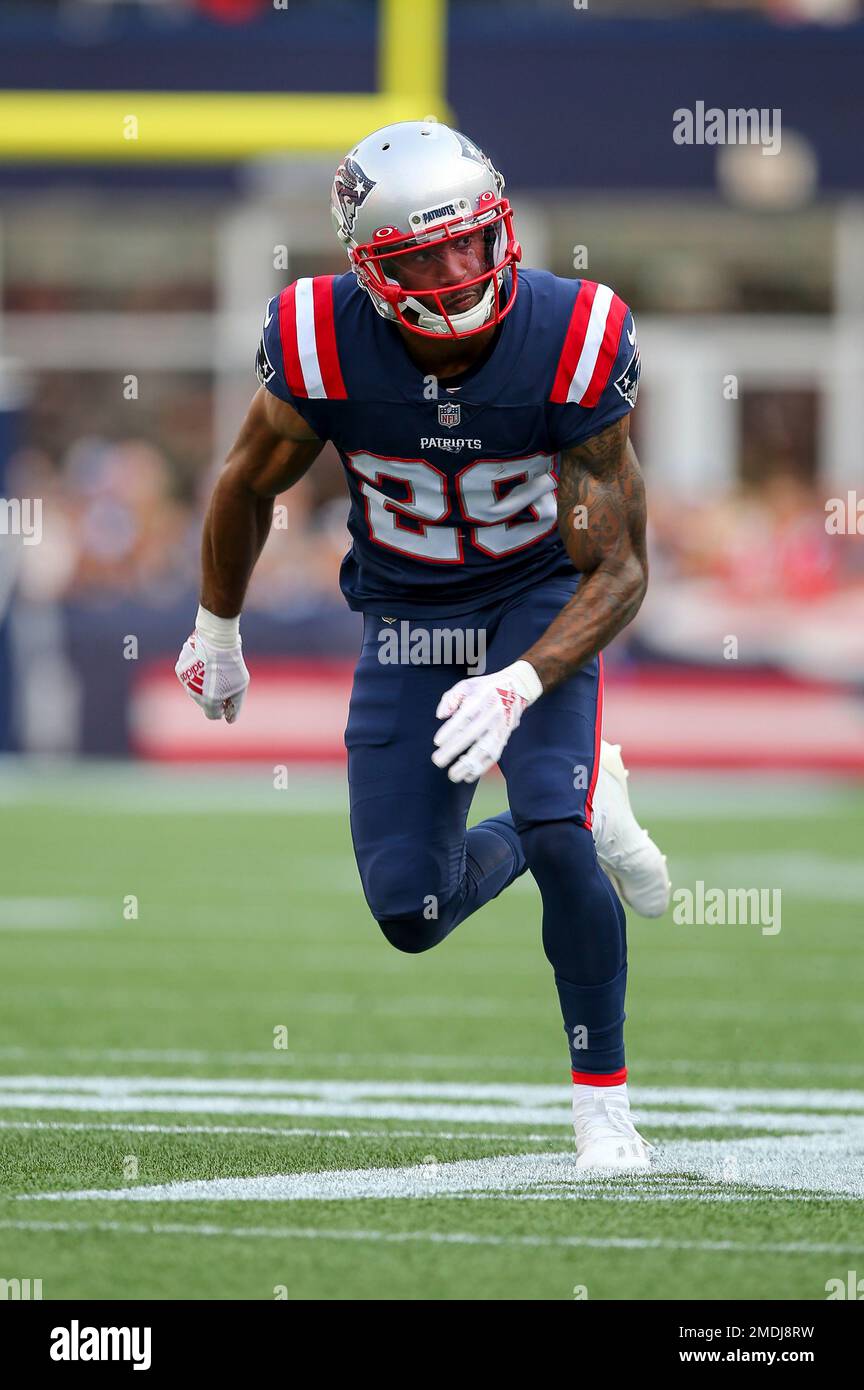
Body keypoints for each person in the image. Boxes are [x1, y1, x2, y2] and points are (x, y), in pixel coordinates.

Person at [177, 121, 670, 1169]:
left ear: (504, 226)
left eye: (473, 241)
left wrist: (524, 680)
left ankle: (605, 1112)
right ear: (367, 269)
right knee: (412, 906)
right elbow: (244, 484)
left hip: (537, 596)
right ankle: (591, 798)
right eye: (423, 257)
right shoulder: (317, 336)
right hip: (406, 614)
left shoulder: (575, 335)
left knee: (558, 831)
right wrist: (217, 625)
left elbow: (618, 569)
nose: (460, 271)